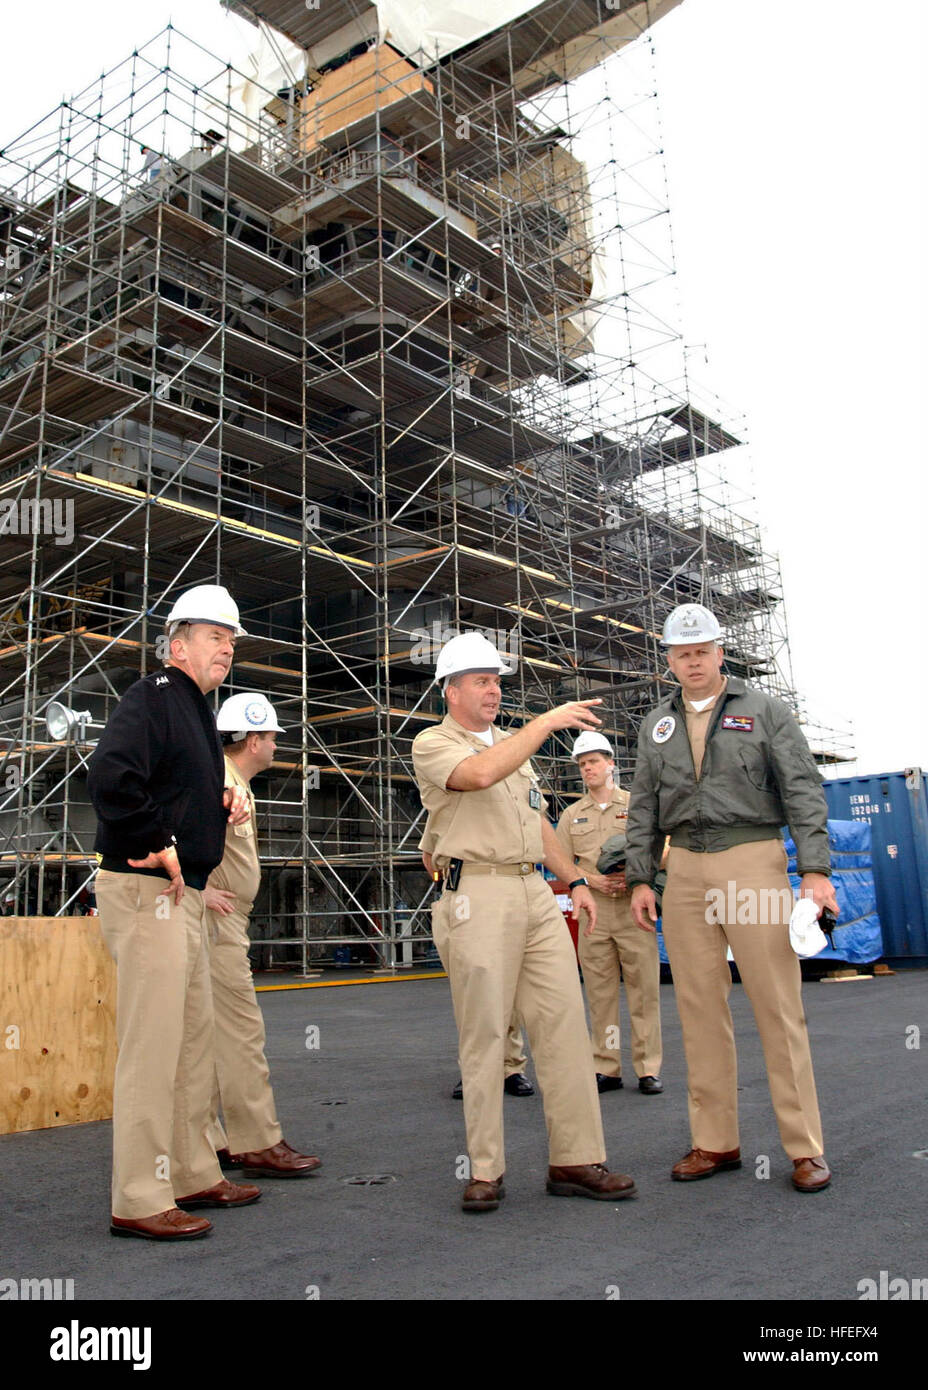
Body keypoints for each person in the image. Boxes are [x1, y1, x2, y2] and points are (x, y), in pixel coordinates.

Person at [411, 631, 636, 1212]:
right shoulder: (433, 742)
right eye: (481, 681)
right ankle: (485, 1168)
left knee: (564, 1025)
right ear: (451, 690)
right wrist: (546, 723)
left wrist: (576, 881)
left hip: (534, 892)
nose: (493, 690)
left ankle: (576, 1159)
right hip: (477, 893)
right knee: (486, 1033)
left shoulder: (514, 750)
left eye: (496, 681)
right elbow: (477, 776)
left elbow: (538, 825)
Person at [625, 604, 838, 1193]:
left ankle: (805, 1147)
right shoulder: (656, 725)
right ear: (669, 661)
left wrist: (815, 870)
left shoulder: (765, 711)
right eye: (682, 654)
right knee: (698, 1009)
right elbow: (643, 806)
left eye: (702, 651)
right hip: (684, 869)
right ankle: (715, 1142)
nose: (693, 662)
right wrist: (640, 878)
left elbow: (803, 789)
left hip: (752, 861)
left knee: (776, 1004)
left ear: (720, 653)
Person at [87, 584, 261, 1240]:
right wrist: (156, 840)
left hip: (179, 899)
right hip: (148, 894)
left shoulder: (192, 709)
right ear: (178, 643)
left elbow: (168, 786)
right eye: (216, 636)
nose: (228, 648)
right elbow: (111, 775)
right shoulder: (155, 695)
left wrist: (220, 802)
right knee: (153, 1049)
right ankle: (138, 1197)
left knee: (190, 1046)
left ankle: (189, 1171)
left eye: (231, 639)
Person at [205, 692, 321, 1177]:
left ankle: (213, 1139)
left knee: (209, 1035)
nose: (276, 746)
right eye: (272, 737)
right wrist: (200, 890)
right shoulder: (220, 781)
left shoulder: (229, 780)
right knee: (240, 1032)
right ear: (253, 740)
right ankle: (257, 1141)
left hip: (225, 917)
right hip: (217, 921)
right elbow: (172, 828)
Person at [556, 732, 663, 1096]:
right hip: (595, 913)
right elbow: (562, 863)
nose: (588, 769)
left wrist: (636, 873)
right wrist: (591, 880)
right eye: (582, 764)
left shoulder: (636, 806)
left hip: (634, 909)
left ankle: (648, 1068)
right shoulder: (572, 816)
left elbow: (659, 849)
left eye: (594, 762)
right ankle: (607, 1065)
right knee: (601, 996)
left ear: (610, 764)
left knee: (643, 991)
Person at [422, 842, 535, 1099]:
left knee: (506, 992)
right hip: (460, 902)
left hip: (498, 901)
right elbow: (428, 855)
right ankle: (475, 1069)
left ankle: (511, 1068)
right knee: (470, 996)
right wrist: (449, 882)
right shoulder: (443, 818)